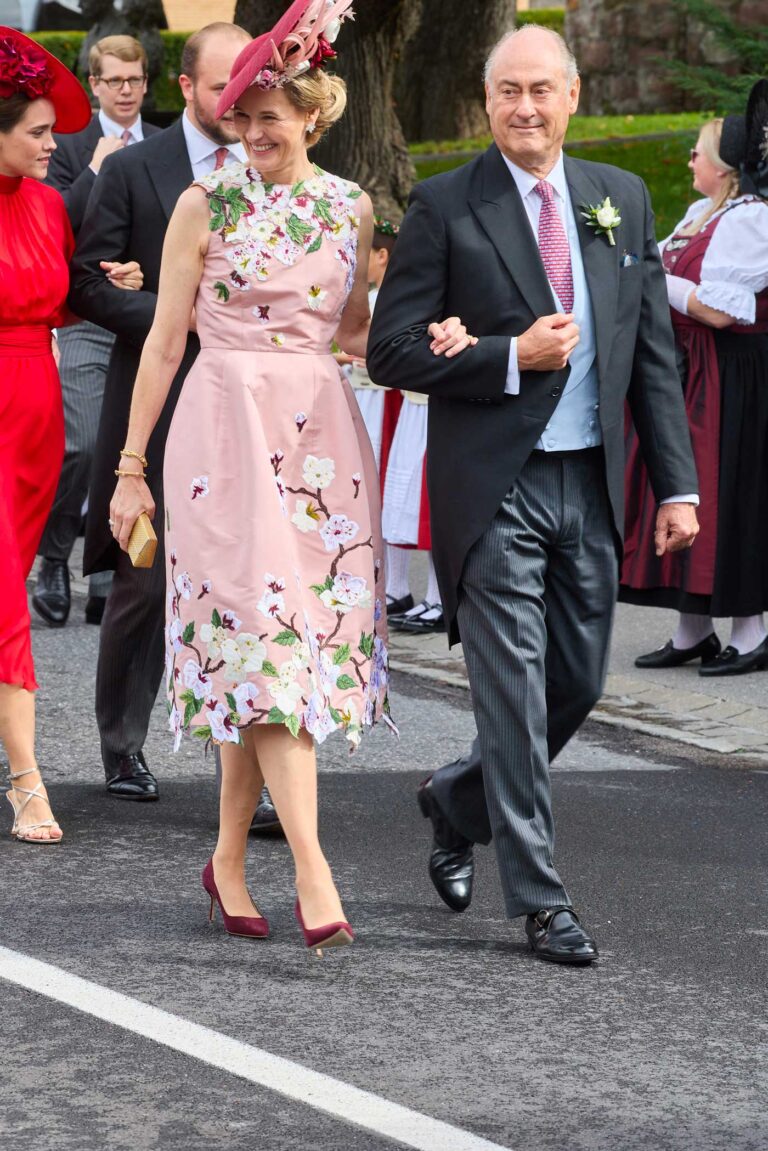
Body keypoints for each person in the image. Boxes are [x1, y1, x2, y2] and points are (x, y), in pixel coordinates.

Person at [107, 0, 472, 952]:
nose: (256, 131)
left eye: (274, 115)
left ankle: (228, 859)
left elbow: (355, 336)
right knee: (263, 640)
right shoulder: (204, 203)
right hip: (221, 436)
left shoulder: (348, 204)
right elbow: (162, 343)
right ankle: (313, 865)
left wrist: (428, 335)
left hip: (319, 439)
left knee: (269, 648)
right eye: (244, 116)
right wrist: (131, 468)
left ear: (314, 114)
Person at [368, 25, 700, 964]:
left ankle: (453, 799)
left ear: (573, 95)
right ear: (487, 101)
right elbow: (392, 349)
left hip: (589, 481)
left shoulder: (620, 199)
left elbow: (651, 356)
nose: (525, 106)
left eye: (541, 90)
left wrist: (676, 482)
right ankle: (542, 899)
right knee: (511, 692)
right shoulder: (444, 204)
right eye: (507, 90)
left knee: (577, 684)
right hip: (495, 485)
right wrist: (510, 355)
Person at [69, 21, 252, 803]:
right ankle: (122, 745)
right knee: (144, 581)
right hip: (160, 400)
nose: (238, 102)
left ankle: (249, 764)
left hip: (249, 409)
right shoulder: (137, 168)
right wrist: (168, 315)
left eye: (249, 84)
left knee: (246, 584)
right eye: (222, 87)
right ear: (185, 88)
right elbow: (85, 283)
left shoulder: (272, 168)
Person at [0, 28, 140, 843]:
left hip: (36, 421)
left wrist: (104, 285)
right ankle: (26, 780)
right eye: (39, 133)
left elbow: (50, 301)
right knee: (6, 603)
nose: (57, 145)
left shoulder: (51, 204)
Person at [623, 92, 768, 676]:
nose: (688, 160)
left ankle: (752, 631)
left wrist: (657, 281)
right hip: (691, 370)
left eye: (697, 152)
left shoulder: (751, 219)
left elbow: (720, 312)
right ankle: (692, 630)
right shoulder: (696, 215)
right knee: (682, 490)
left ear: (725, 166)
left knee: (729, 491)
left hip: (733, 374)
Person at [33, 34, 160, 630]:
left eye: (134, 79)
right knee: (84, 443)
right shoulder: (65, 144)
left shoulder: (162, 145)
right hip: (84, 316)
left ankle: (111, 572)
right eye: (114, 81)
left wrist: (145, 274)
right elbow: (49, 219)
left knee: (131, 448)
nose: (127, 90)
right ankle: (54, 555)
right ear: (95, 84)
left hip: (145, 317)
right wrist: (93, 167)